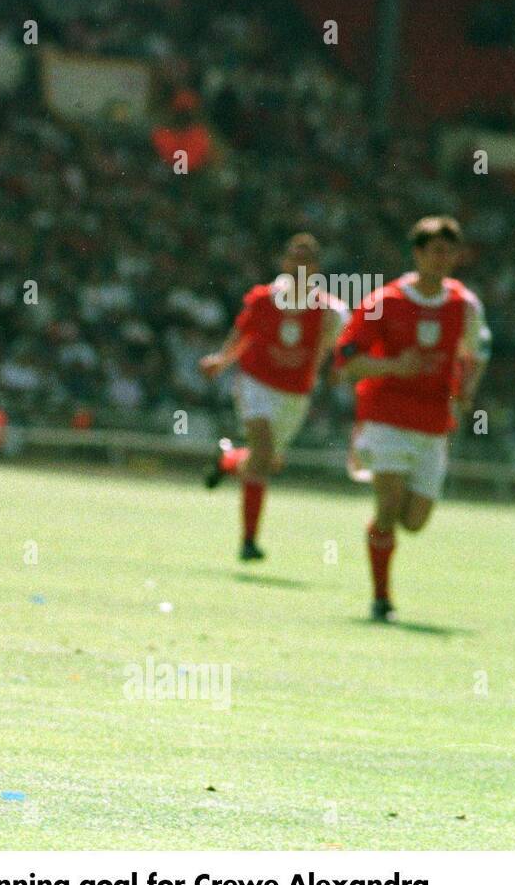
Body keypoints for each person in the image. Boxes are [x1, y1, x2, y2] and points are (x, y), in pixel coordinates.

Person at [334, 216, 490, 622]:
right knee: (388, 508)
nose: (442, 259)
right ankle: (381, 599)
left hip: (434, 423)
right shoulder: (385, 301)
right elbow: (346, 361)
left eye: (449, 252)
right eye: (435, 250)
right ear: (417, 254)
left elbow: (476, 352)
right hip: (385, 418)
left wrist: (466, 386)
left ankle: (382, 532)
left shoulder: (464, 305)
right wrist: (393, 367)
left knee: (415, 522)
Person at [200, 234, 346, 559]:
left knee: (266, 462)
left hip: (295, 394)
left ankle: (228, 460)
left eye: (306, 259)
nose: (299, 265)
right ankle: (248, 542)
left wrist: (337, 368)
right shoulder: (263, 298)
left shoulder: (329, 310)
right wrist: (222, 361)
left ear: (316, 268)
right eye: (294, 257)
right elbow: (242, 334)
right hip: (256, 384)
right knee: (264, 452)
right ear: (284, 262)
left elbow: (333, 347)